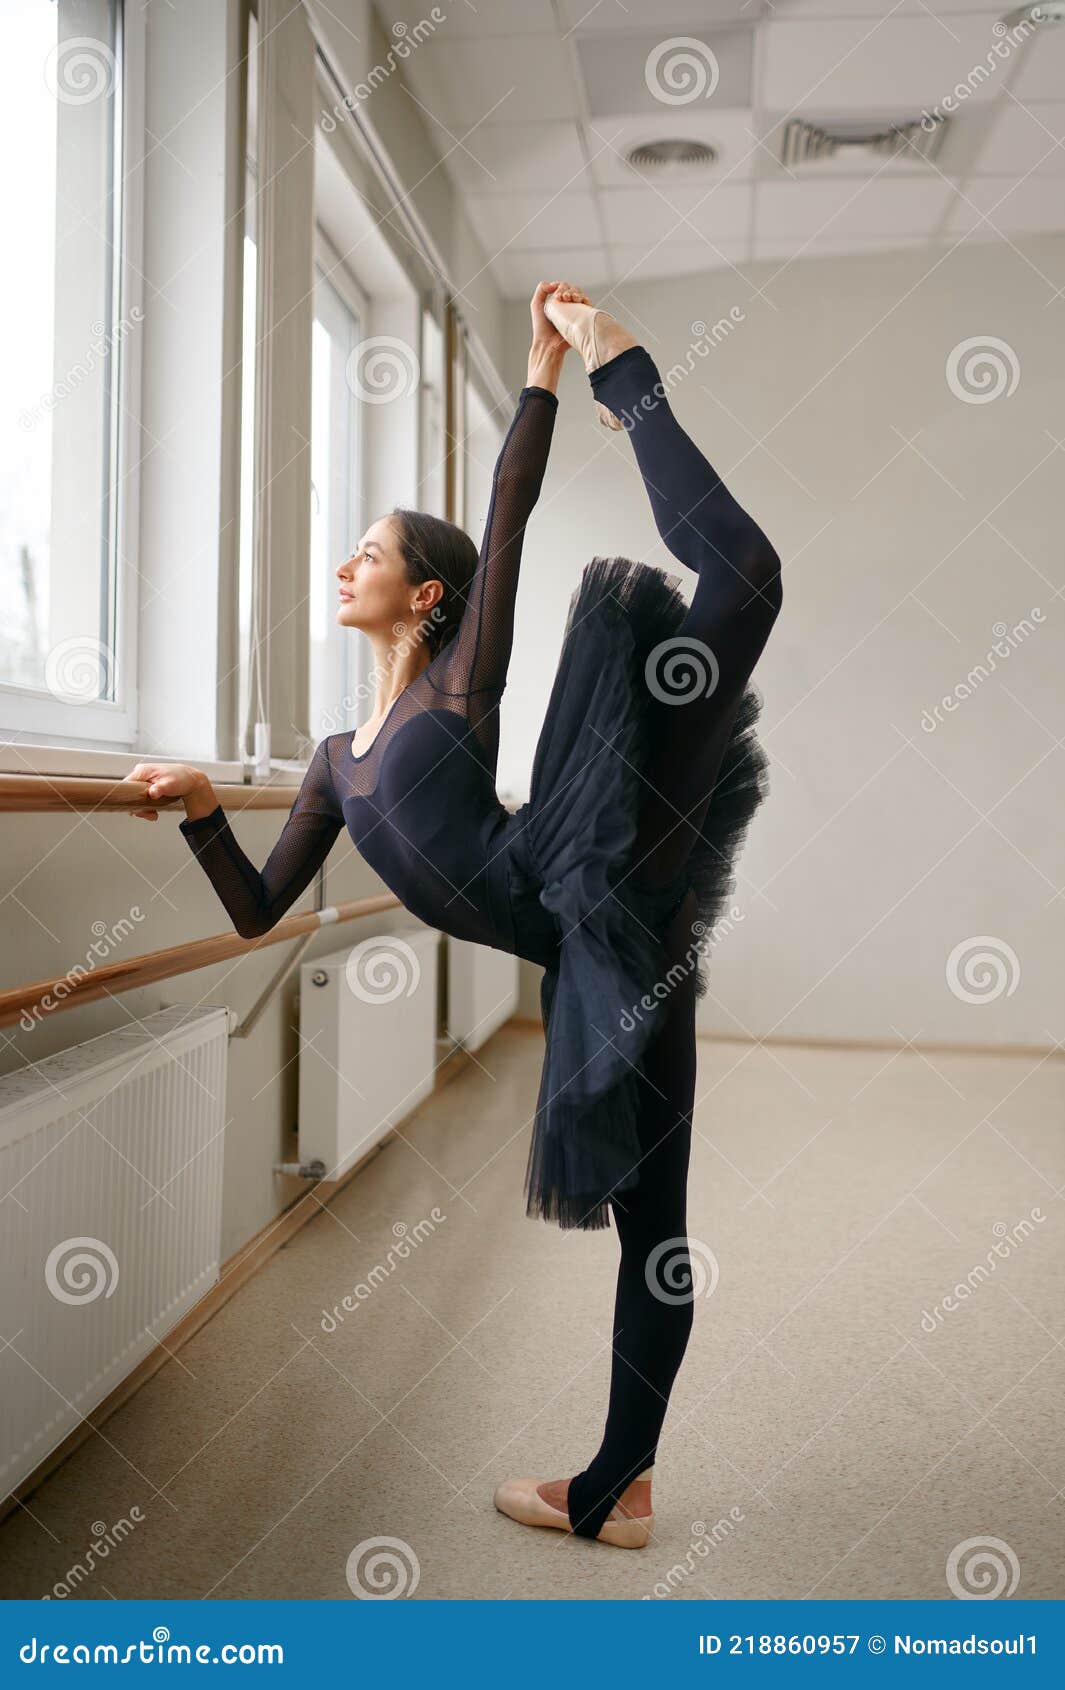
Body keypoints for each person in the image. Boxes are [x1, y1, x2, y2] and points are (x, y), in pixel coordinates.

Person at [129, 281, 782, 1549]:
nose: (346, 566)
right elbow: (258, 910)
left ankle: (629, 372)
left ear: (426, 595)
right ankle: (625, 1486)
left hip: (600, 842)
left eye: (368, 552)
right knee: (654, 1232)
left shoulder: (457, 690)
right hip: (607, 951)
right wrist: (204, 809)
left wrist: (548, 372)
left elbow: (507, 514)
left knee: (746, 576)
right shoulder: (334, 762)